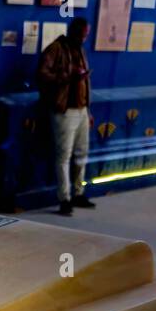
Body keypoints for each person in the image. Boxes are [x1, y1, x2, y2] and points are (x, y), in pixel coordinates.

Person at [37, 16, 95, 215]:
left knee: (81, 154)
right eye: (81, 35)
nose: (83, 39)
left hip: (81, 110)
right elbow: (42, 74)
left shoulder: (80, 50)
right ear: (73, 32)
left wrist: (88, 110)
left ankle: (78, 193)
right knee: (64, 156)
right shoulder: (56, 49)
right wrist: (67, 77)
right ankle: (65, 198)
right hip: (64, 110)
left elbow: (85, 84)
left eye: (86, 35)